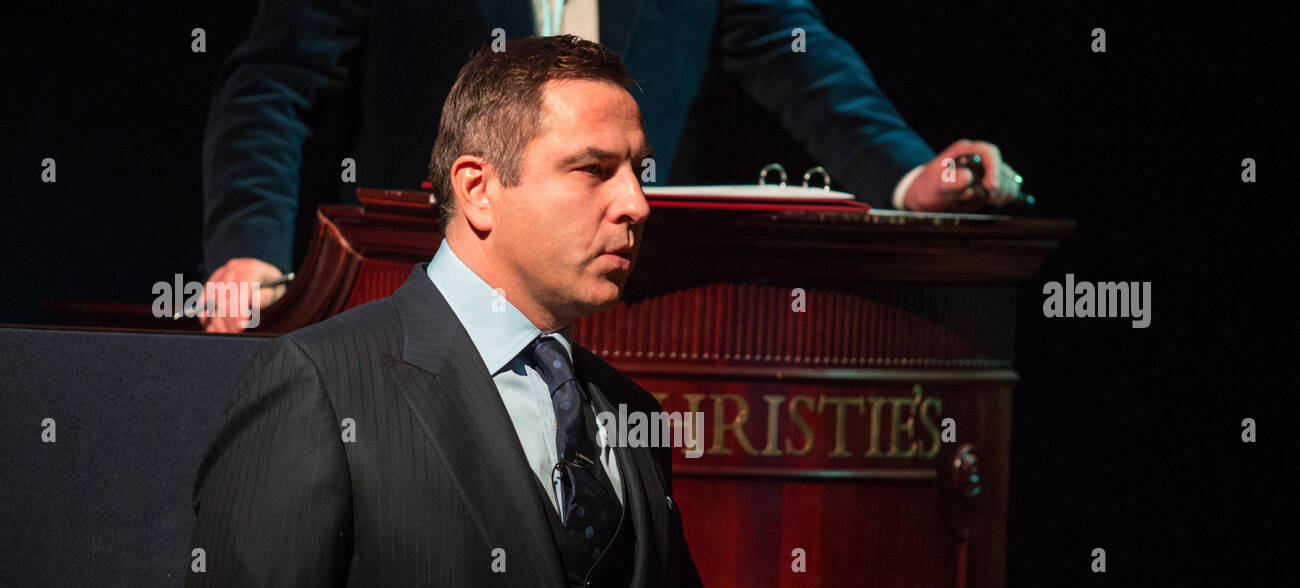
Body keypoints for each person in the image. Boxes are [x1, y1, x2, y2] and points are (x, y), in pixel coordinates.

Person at [176, 35, 986, 588]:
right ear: (478, 188)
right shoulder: (317, 384)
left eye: (641, 171)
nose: (637, 203)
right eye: (595, 170)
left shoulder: (628, 415)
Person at [197, 0, 1023, 331]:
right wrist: (251, 251)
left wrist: (911, 177)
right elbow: (277, 76)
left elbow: (792, 52)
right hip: (425, 293)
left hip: (637, 308)